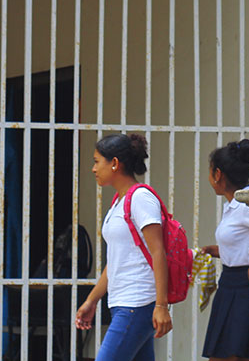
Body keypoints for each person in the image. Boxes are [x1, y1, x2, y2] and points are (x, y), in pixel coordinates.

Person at [75, 134, 172, 360]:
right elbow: (118, 260)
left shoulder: (141, 198)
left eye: (97, 161)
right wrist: (92, 300)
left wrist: (161, 305)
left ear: (115, 163)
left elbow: (158, 252)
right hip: (124, 303)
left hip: (136, 303)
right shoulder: (119, 201)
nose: (93, 168)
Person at [201, 140, 249, 361]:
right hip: (229, 283)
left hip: (244, 287)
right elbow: (247, 244)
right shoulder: (233, 205)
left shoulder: (247, 204)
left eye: (209, 173)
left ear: (218, 174)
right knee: (224, 353)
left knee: (234, 354)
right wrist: (215, 251)